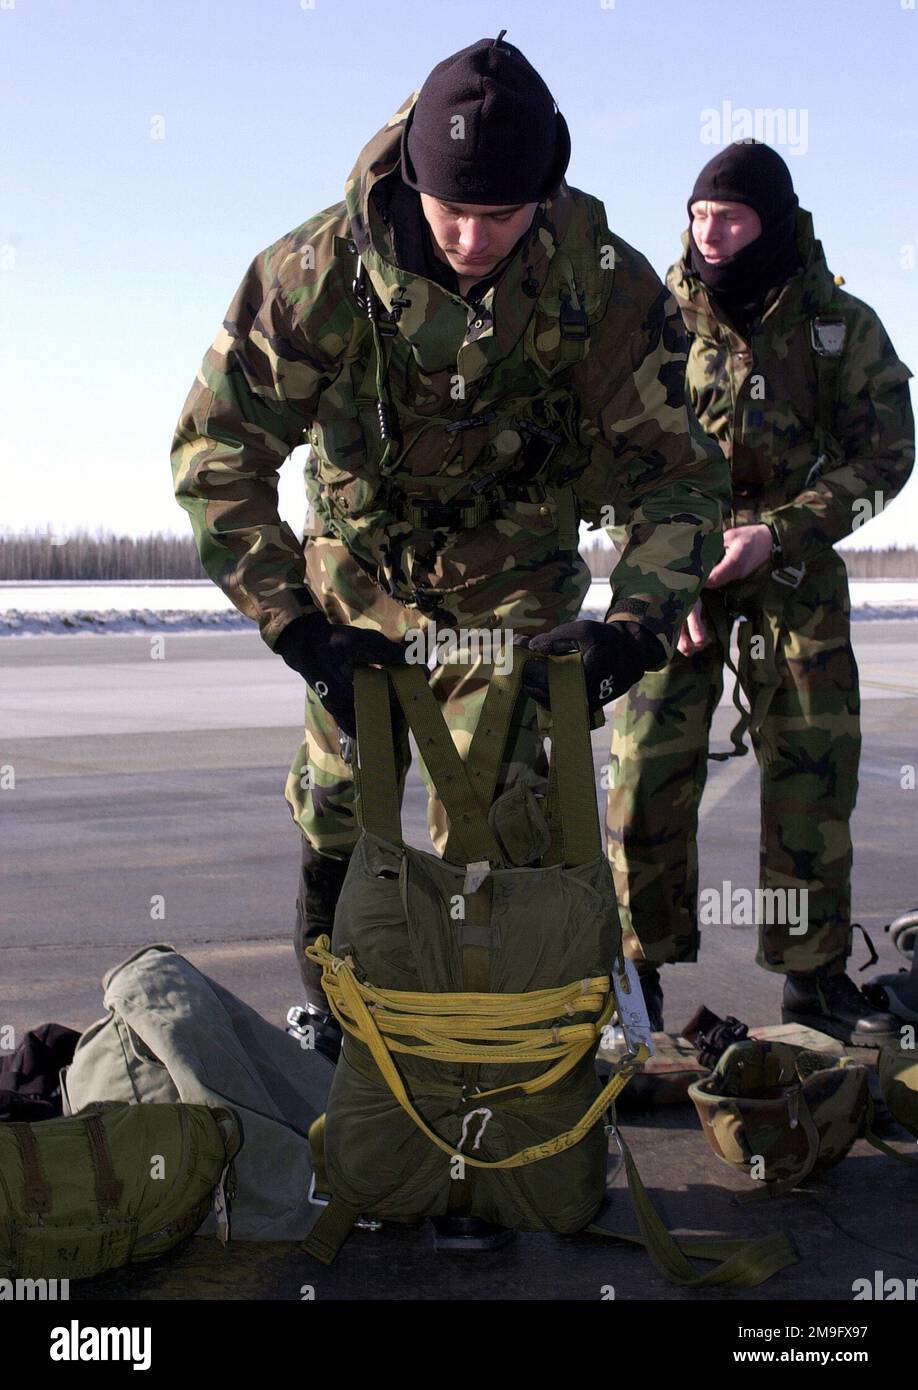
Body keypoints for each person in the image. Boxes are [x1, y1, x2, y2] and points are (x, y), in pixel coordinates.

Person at [170, 32, 730, 1059]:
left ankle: (483, 1049)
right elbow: (218, 451)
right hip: (357, 577)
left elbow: (677, 473)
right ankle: (342, 1018)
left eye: (502, 215)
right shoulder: (313, 274)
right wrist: (296, 628)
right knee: (343, 802)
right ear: (414, 182)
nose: (474, 239)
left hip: (515, 578)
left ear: (546, 193)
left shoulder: (600, 283)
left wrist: (636, 624)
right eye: (453, 212)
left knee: (498, 814)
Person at [606, 141, 915, 1046]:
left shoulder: (839, 324)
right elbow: (618, 455)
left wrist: (781, 532)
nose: (712, 234)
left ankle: (814, 983)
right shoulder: (652, 322)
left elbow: (887, 455)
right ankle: (638, 979)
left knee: (811, 777)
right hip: (674, 568)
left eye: (732, 218)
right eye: (700, 216)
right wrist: (671, 574)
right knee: (645, 773)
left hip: (793, 570)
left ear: (772, 221)